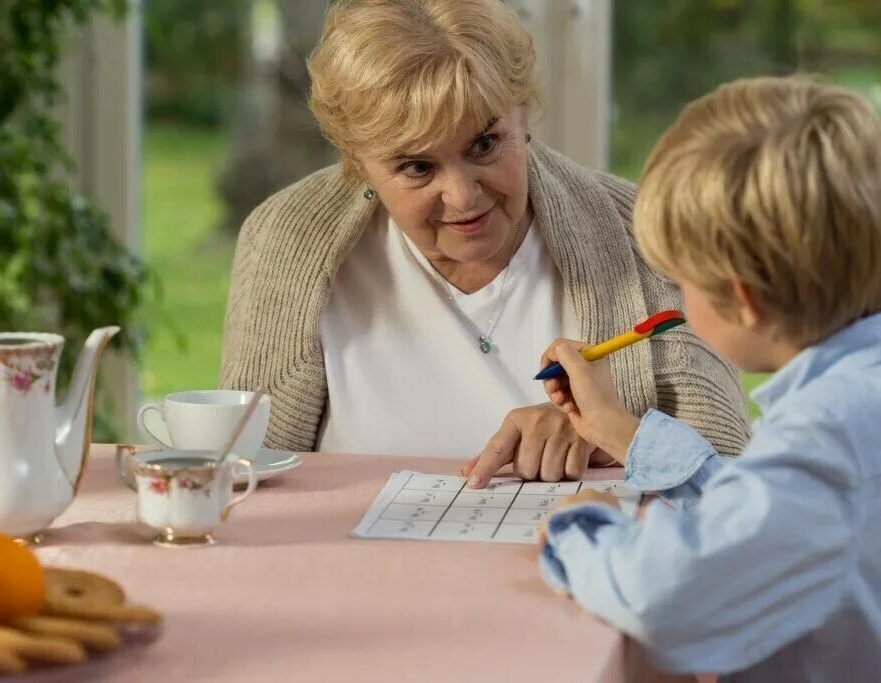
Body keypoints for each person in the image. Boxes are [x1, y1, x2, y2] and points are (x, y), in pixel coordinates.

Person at [219, 0, 749, 482]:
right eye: (417, 167)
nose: (463, 196)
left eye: (485, 144)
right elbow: (236, 472)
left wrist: (610, 438)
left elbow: (737, 480)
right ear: (358, 163)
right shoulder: (284, 239)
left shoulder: (644, 233)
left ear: (522, 112)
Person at [536, 77, 881, 680]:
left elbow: (668, 599)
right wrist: (626, 433)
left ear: (744, 300)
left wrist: (581, 526)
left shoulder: (826, 431)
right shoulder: (855, 397)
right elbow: (780, 514)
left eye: (682, 281)